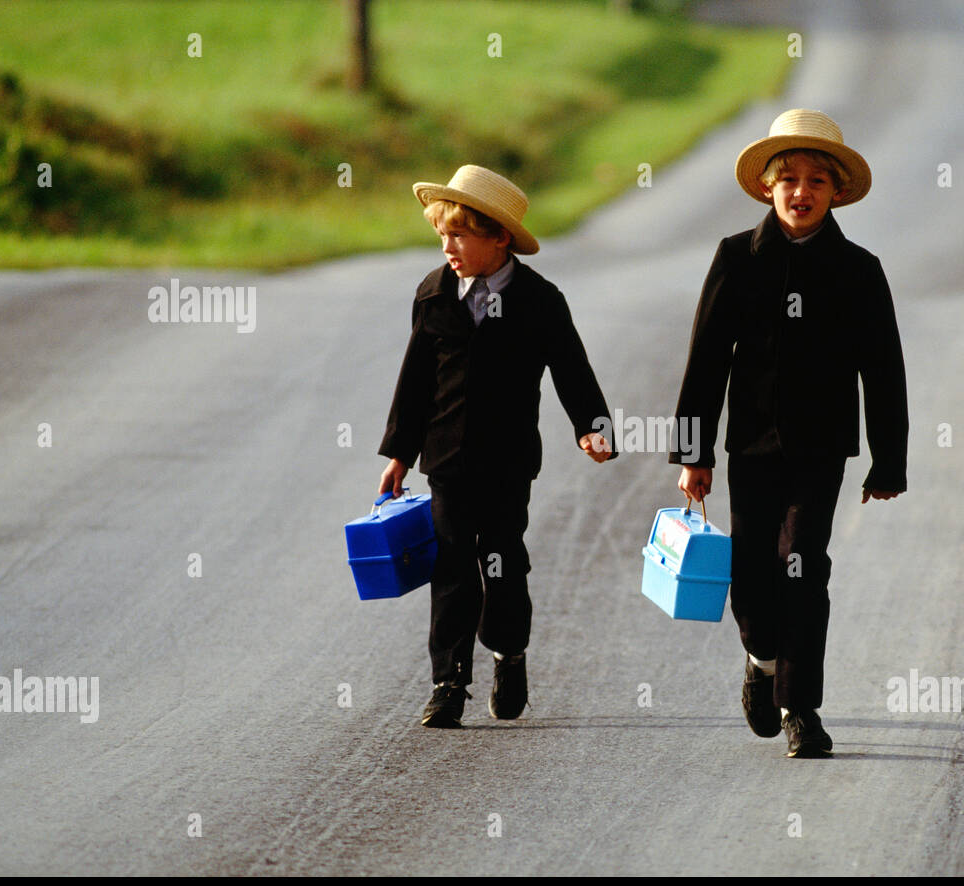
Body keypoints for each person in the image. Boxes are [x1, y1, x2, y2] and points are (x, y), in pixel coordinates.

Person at [669, 109, 909, 758]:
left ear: (835, 193)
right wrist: (693, 453)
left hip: (821, 450)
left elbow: (883, 370)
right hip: (749, 449)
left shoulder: (859, 270)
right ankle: (761, 660)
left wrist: (889, 463)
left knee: (802, 566)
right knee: (751, 576)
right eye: (789, 179)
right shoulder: (735, 259)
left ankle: (801, 707)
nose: (801, 192)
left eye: (816, 181)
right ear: (767, 189)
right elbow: (706, 362)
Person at [378, 164, 616, 728]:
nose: (448, 246)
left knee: (503, 561)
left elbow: (572, 369)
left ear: (499, 237)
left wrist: (592, 425)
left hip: (508, 463)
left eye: (460, 235)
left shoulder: (540, 301)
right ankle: (449, 683)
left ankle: (508, 653)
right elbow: (414, 382)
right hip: (447, 460)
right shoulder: (434, 294)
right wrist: (400, 454)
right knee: (453, 564)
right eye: (442, 234)